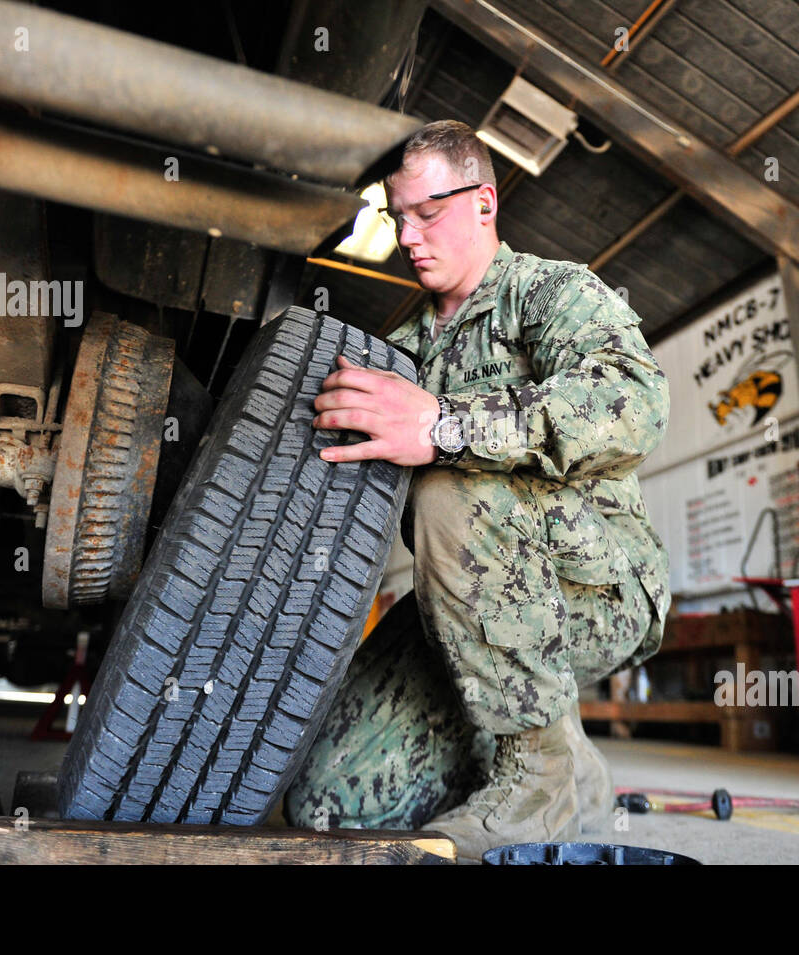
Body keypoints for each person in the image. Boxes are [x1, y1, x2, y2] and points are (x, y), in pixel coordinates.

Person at [290, 119, 671, 860]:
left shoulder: (549, 294)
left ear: (485, 203)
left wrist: (445, 425)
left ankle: (540, 779)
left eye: (428, 212)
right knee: (327, 806)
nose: (408, 236)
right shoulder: (401, 352)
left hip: (597, 587)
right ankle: (576, 770)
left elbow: (635, 403)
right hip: (464, 598)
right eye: (397, 217)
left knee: (447, 490)